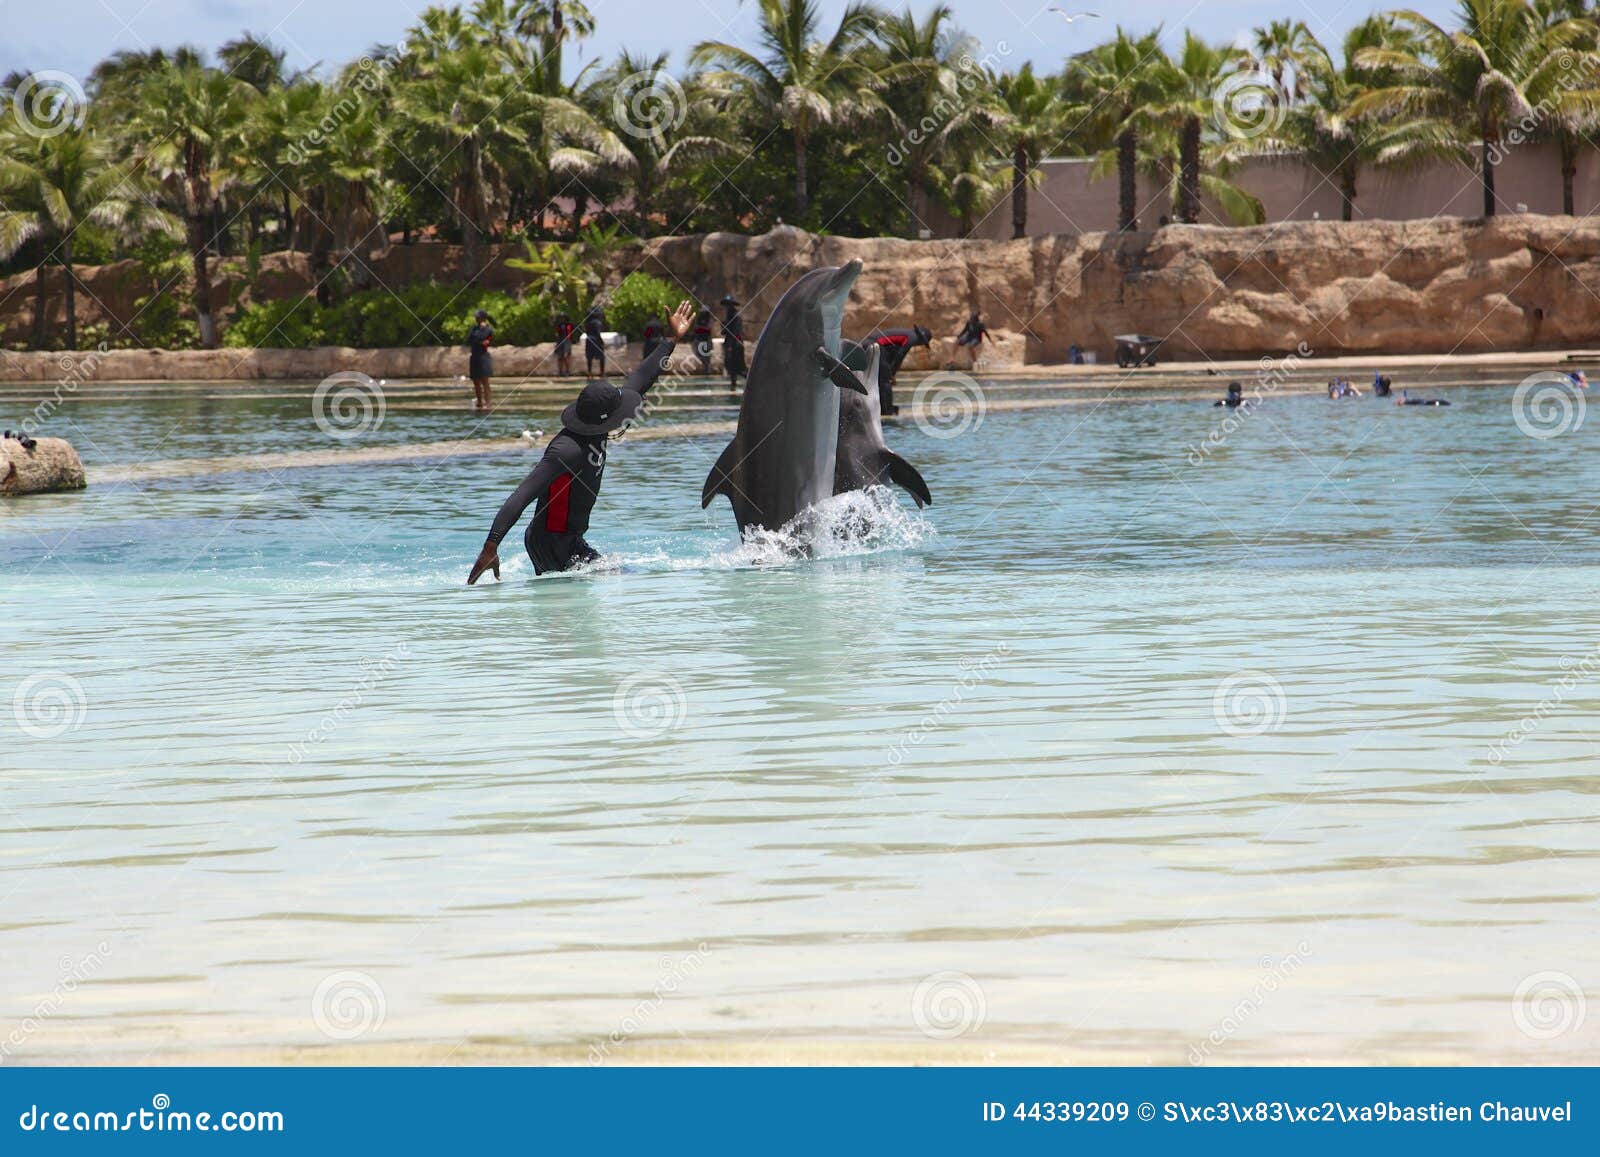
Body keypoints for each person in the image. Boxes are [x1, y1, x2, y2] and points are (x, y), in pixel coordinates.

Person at [469, 301, 695, 583]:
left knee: (619, 578)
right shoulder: (566, 450)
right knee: (613, 586)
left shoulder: (597, 425)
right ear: (604, 420)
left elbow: (642, 377)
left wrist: (672, 339)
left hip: (571, 540)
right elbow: (522, 495)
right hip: (549, 543)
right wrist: (491, 545)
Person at [859, 326, 933, 415]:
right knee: (885, 382)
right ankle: (887, 410)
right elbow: (900, 355)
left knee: (881, 379)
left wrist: (891, 373)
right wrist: (891, 375)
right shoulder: (912, 337)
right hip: (875, 345)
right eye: (922, 343)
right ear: (921, 339)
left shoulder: (906, 333)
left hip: (870, 344)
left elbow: (891, 354)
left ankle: (881, 407)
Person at [467, 309, 494, 412]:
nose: (476, 319)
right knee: (476, 381)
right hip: (474, 356)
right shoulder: (474, 329)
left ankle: (488, 403)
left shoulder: (488, 329)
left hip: (483, 357)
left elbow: (481, 337)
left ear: (482, 318)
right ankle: (479, 402)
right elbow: (469, 339)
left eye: (478, 317)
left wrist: (479, 337)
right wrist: (478, 340)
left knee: (485, 381)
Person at [721, 294, 746, 389]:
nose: (727, 307)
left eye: (729, 305)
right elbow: (724, 332)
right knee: (731, 367)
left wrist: (731, 347)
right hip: (730, 345)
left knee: (739, 368)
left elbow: (736, 333)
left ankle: (751, 383)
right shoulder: (728, 317)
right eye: (726, 305)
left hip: (736, 346)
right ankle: (733, 385)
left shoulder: (736, 317)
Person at [583, 307, 607, 377]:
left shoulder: (587, 322)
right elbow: (598, 332)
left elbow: (586, 331)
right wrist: (601, 341)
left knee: (589, 358)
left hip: (589, 340)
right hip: (596, 340)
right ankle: (602, 373)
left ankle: (589, 373)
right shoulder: (597, 322)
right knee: (602, 357)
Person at [691, 308, 716, 375]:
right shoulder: (698, 319)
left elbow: (708, 328)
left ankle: (707, 370)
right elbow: (696, 328)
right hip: (699, 340)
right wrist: (701, 329)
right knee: (699, 355)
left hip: (706, 341)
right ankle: (704, 368)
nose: (703, 314)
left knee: (707, 357)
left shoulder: (710, 320)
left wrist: (701, 329)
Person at [553, 312, 576, 377]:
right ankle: (560, 372)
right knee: (559, 357)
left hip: (567, 341)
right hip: (560, 341)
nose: (562, 319)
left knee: (566, 356)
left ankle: (567, 371)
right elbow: (557, 333)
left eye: (563, 318)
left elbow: (571, 333)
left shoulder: (569, 325)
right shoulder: (559, 325)